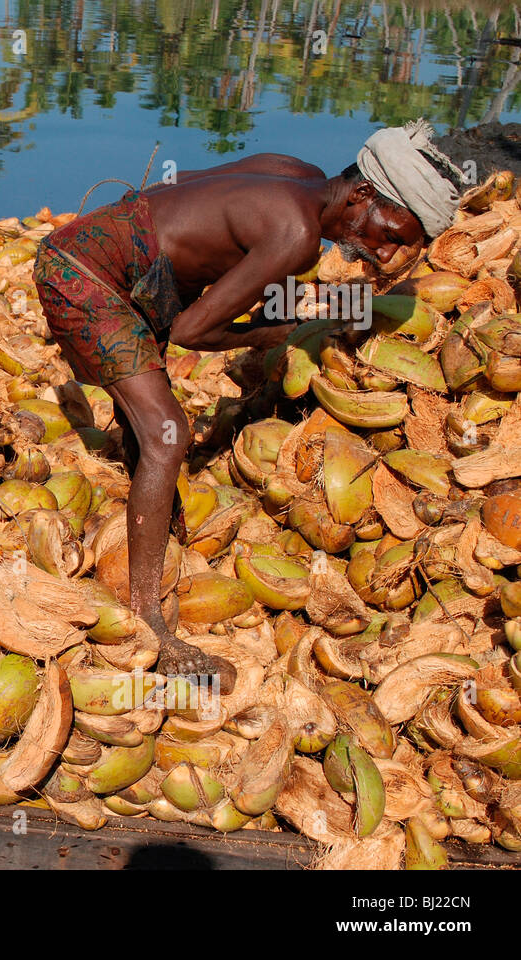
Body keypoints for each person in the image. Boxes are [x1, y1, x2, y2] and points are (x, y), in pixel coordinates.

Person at [34, 118, 468, 690]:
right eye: (389, 230)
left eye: (400, 246)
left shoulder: (299, 176)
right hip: (85, 273)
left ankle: (148, 493)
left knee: (150, 402)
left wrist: (249, 290)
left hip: (104, 244)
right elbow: (192, 330)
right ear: (362, 193)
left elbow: (188, 184)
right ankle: (149, 622)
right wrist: (264, 336)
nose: (385, 251)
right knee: (169, 434)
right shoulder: (297, 234)